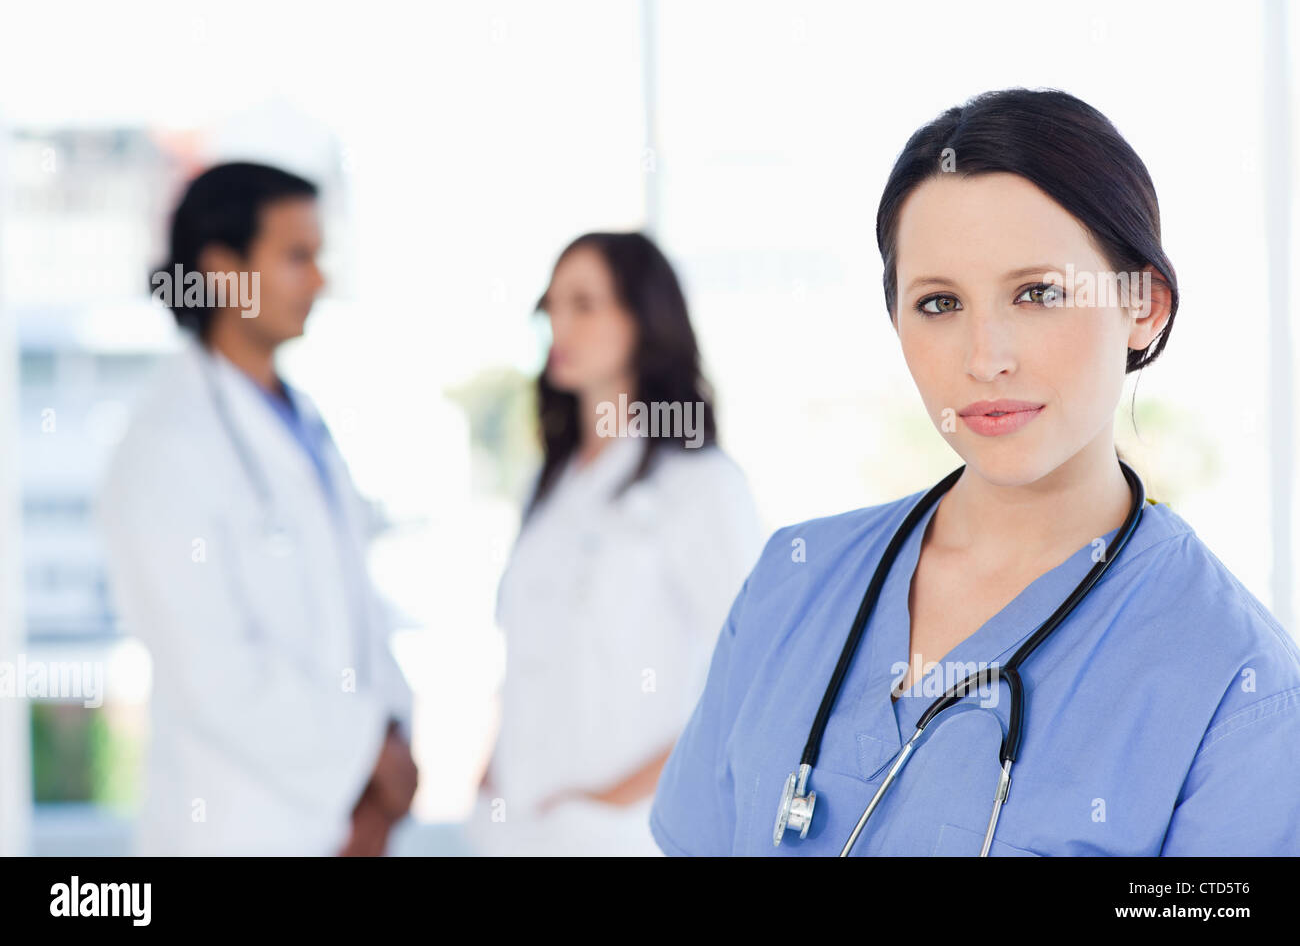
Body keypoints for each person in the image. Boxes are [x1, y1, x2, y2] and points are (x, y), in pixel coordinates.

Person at [650, 88, 1300, 856]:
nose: (985, 356)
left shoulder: (1238, 686)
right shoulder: (791, 585)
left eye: (1037, 293)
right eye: (939, 303)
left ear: (1143, 306)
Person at [97, 162, 417, 856]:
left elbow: (360, 611)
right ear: (222, 270)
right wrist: (364, 755)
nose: (320, 280)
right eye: (298, 256)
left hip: (348, 823)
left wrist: (391, 746)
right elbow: (211, 669)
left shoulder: (306, 424)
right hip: (236, 829)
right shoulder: (163, 445)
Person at [464, 231, 765, 855]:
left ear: (642, 318)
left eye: (585, 303)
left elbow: (750, 680)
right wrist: (490, 778)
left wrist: (606, 804)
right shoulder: (549, 483)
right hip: (515, 824)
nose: (560, 324)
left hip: (619, 833)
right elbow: (528, 658)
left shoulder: (699, 483)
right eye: (552, 306)